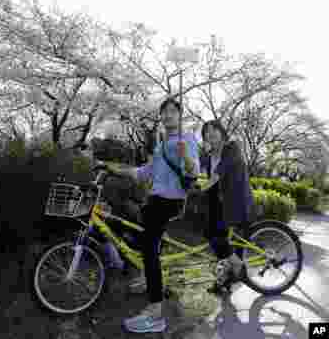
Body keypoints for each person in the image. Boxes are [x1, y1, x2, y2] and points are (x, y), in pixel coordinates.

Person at [103, 98, 199, 334]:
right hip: (155, 200)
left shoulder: (186, 139)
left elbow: (194, 170)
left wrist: (186, 156)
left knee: (148, 247)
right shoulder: (160, 144)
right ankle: (150, 278)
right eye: (164, 113)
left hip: (171, 201)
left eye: (172, 112)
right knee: (139, 236)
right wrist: (113, 169)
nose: (167, 116)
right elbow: (144, 173)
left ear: (179, 115)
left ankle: (156, 312)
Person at [197, 119, 251, 293]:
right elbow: (200, 174)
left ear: (221, 131)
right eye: (206, 132)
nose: (210, 134)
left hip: (235, 200)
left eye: (213, 130)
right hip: (217, 201)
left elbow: (220, 171)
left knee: (221, 239)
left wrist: (205, 185)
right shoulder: (208, 155)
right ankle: (230, 272)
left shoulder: (232, 147)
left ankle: (229, 275)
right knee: (211, 235)